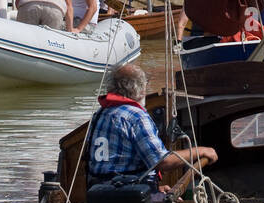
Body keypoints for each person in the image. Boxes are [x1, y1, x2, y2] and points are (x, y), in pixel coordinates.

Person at [88, 63, 217, 188]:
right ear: (138, 89)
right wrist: (201, 151)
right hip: (126, 195)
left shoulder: (99, 114)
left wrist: (154, 191)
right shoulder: (136, 117)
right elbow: (162, 162)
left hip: (100, 191)